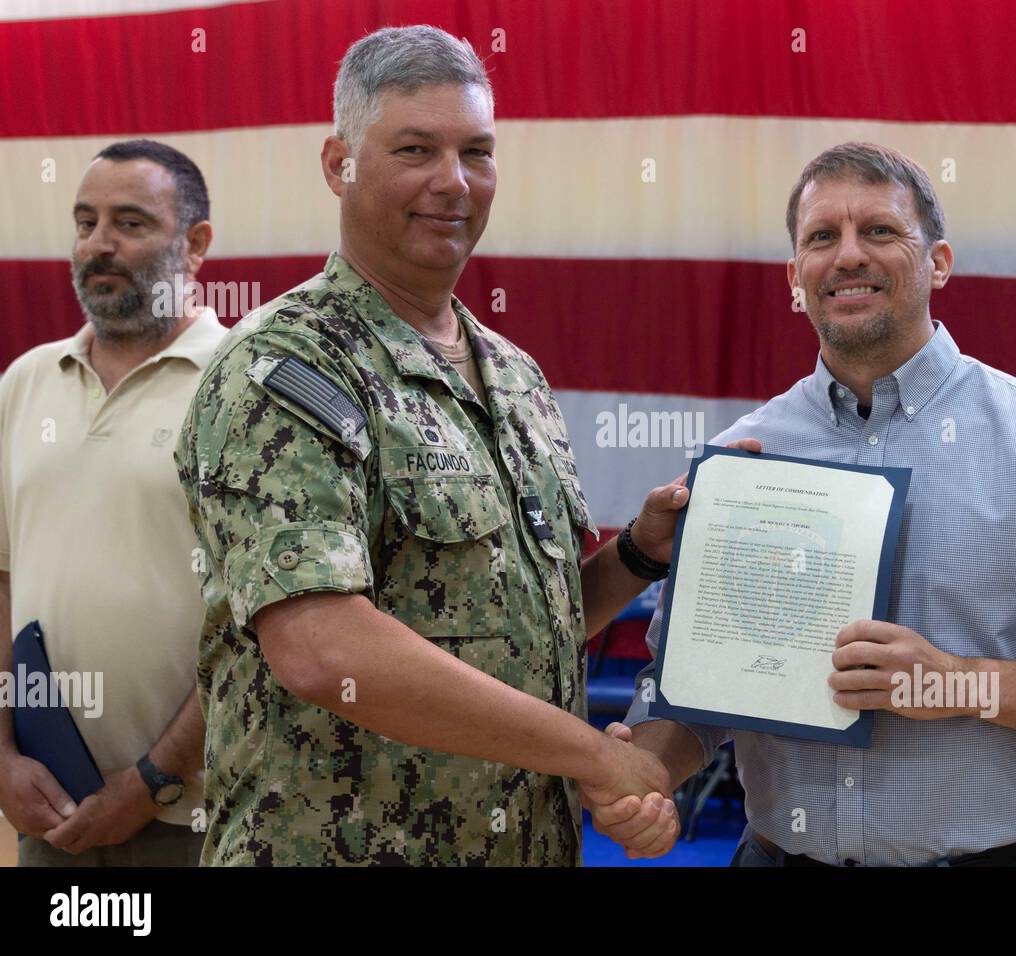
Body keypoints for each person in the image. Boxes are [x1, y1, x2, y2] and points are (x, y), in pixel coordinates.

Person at [175, 25, 726, 866]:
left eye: (477, 150)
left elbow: (504, 628)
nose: (453, 182)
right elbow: (325, 648)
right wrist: (602, 758)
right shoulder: (282, 368)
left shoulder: (515, 376)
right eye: (415, 149)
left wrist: (639, 559)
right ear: (339, 164)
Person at [591, 142, 1016, 866]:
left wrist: (957, 682)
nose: (848, 256)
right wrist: (644, 776)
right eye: (822, 237)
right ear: (796, 276)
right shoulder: (744, 457)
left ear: (938, 262)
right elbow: (692, 696)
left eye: (879, 231)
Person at [0, 140, 222, 865]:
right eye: (85, 221)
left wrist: (154, 780)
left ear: (195, 245)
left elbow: (260, 622)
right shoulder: (26, 382)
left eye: (129, 223)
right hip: (50, 812)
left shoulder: (244, 386)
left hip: (203, 819)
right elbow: (3, 578)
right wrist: (0, 754)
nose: (99, 244)